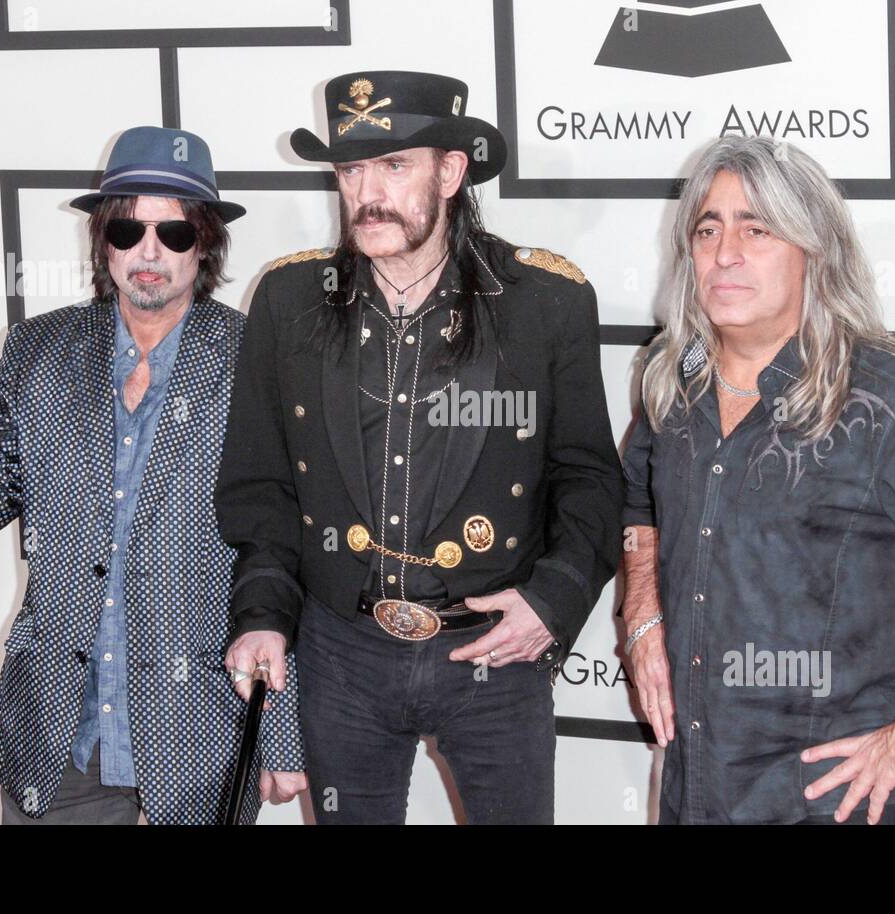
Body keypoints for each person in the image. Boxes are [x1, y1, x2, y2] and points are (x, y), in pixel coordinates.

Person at [0, 125, 305, 824]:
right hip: (60, 737)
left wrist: (281, 732)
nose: (149, 252)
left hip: (203, 728)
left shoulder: (258, 359)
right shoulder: (40, 349)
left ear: (207, 244)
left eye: (176, 233)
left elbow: (283, 548)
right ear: (103, 239)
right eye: (128, 229)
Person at [215, 71, 624, 824]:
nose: (366, 191)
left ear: (452, 170)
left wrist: (552, 602)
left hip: (493, 657)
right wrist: (264, 613)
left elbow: (588, 477)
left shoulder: (544, 301)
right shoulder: (289, 300)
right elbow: (262, 489)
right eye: (351, 168)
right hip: (342, 653)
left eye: (394, 165)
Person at [620, 135, 895, 825]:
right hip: (694, 785)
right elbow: (637, 498)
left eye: (756, 229)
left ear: (814, 251)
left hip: (829, 801)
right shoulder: (673, 379)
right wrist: (643, 619)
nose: (725, 252)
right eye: (709, 228)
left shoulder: (890, 402)